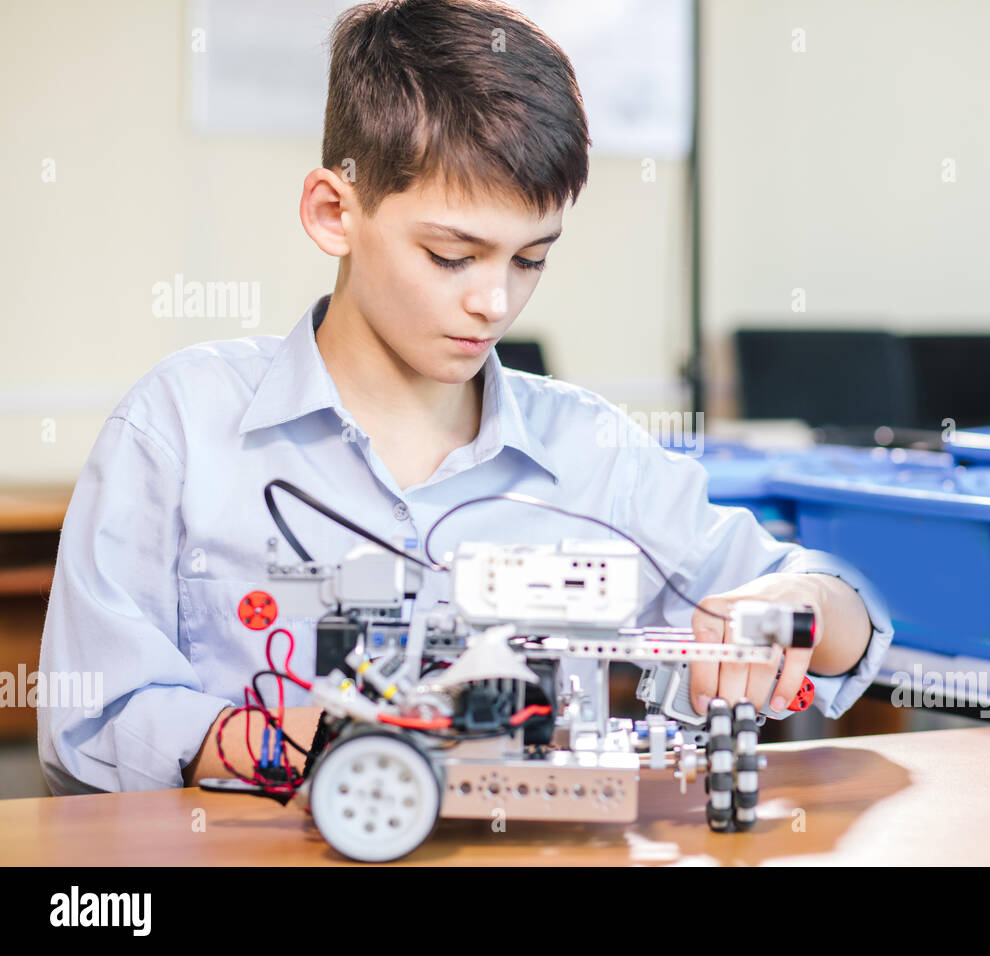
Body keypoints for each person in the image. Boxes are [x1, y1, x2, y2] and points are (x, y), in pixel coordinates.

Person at [37, 0, 892, 795]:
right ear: (334, 212)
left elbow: (846, 622)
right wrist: (356, 746)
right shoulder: (181, 425)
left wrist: (801, 608)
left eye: (531, 259)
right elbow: (95, 723)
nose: (495, 302)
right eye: (452, 256)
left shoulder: (591, 453)